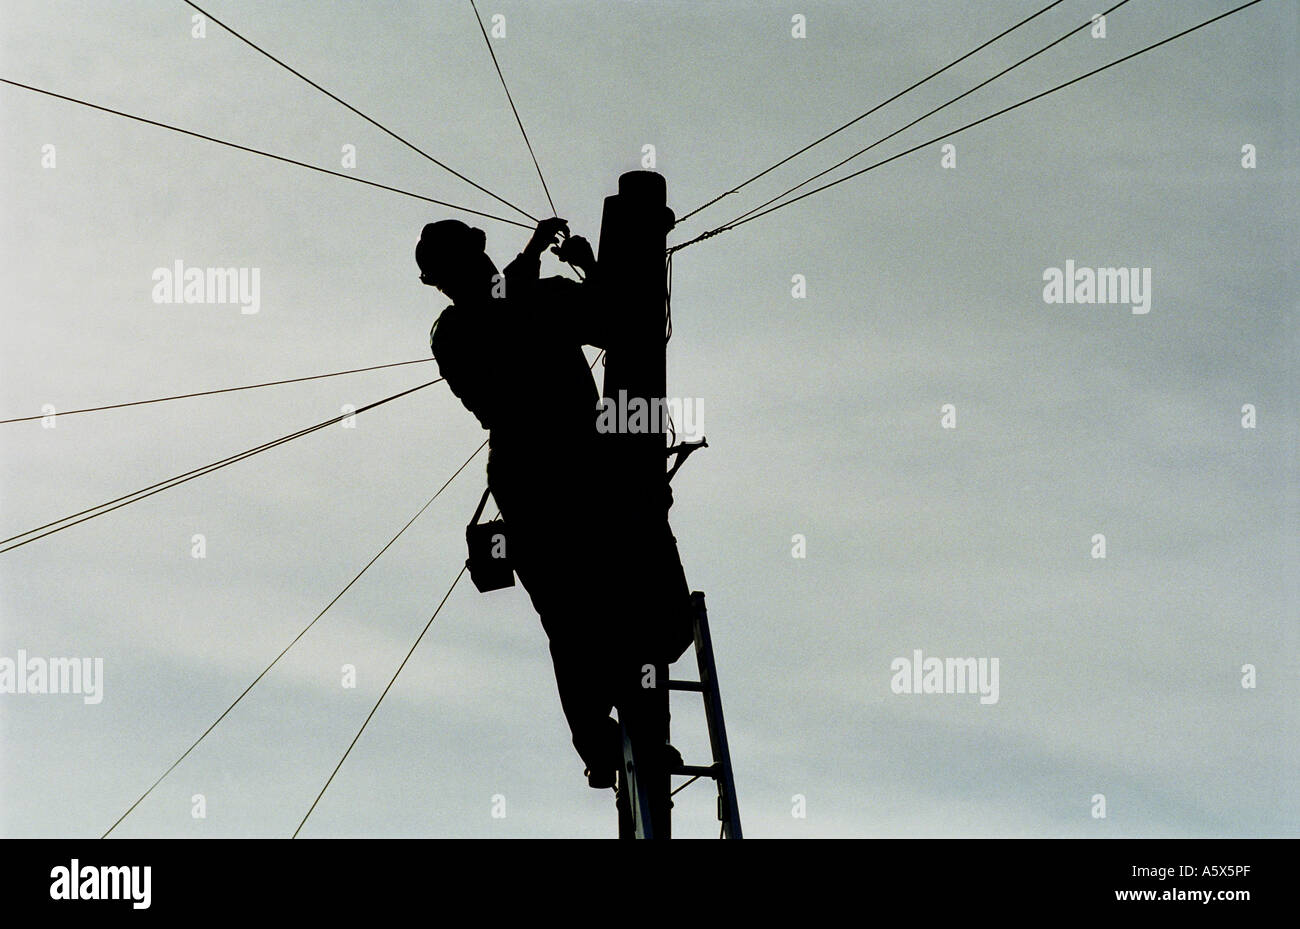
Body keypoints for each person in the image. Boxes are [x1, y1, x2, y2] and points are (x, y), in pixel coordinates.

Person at [416, 217, 624, 788]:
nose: (478, 270)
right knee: (571, 615)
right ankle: (608, 742)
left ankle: (628, 736)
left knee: (604, 607)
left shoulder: (532, 297)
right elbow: (500, 312)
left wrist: (590, 267)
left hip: (577, 475)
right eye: (463, 265)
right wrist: (540, 254)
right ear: (447, 281)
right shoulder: (458, 331)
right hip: (539, 482)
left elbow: (618, 323)